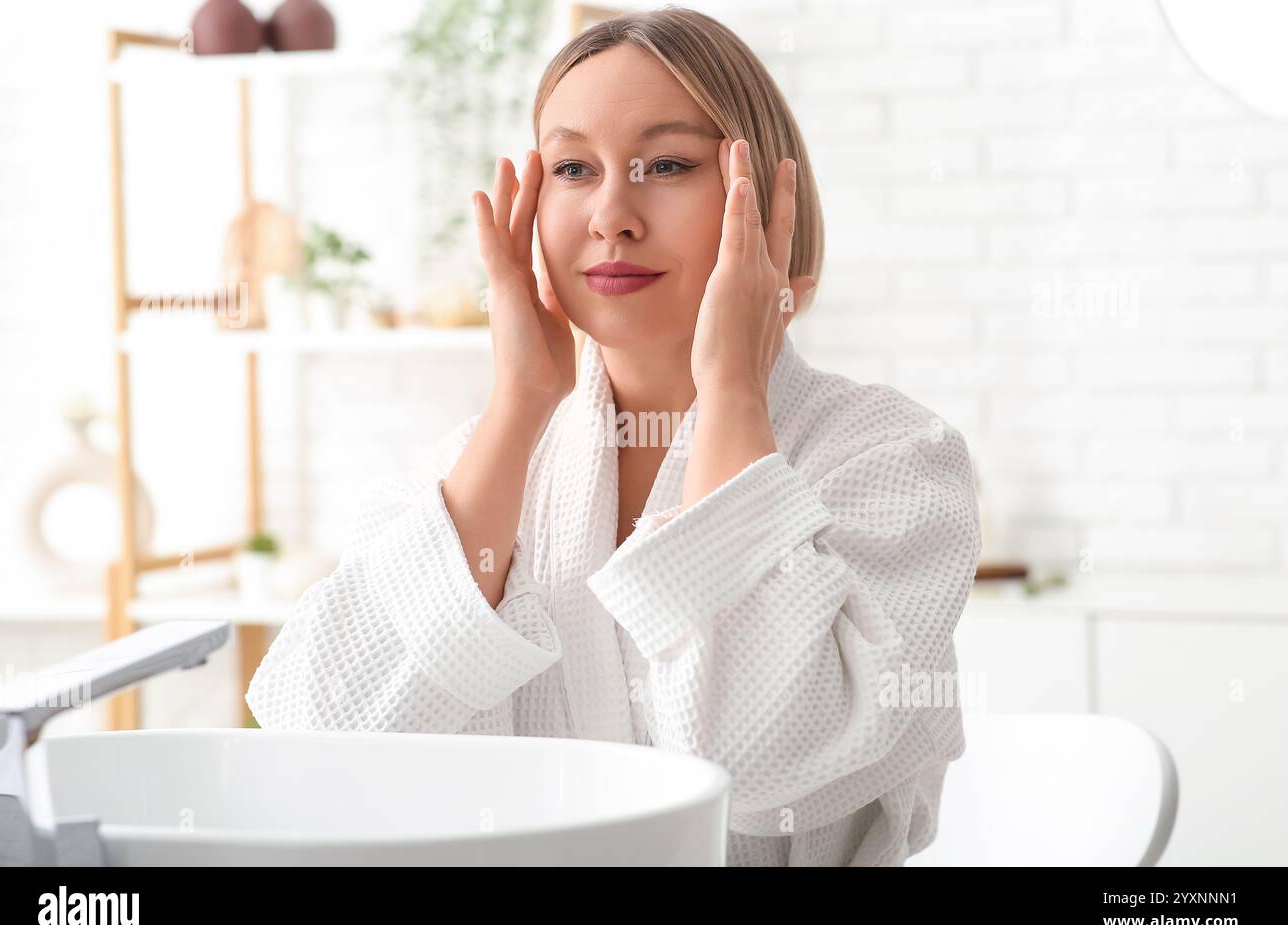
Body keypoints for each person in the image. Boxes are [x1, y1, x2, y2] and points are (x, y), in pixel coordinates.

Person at [246, 6, 982, 867]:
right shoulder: (472, 467)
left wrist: (734, 390)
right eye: (572, 167)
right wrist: (520, 402)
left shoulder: (891, 459)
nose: (611, 214)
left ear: (771, 197)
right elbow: (320, 736)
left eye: (666, 163)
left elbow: (751, 754)